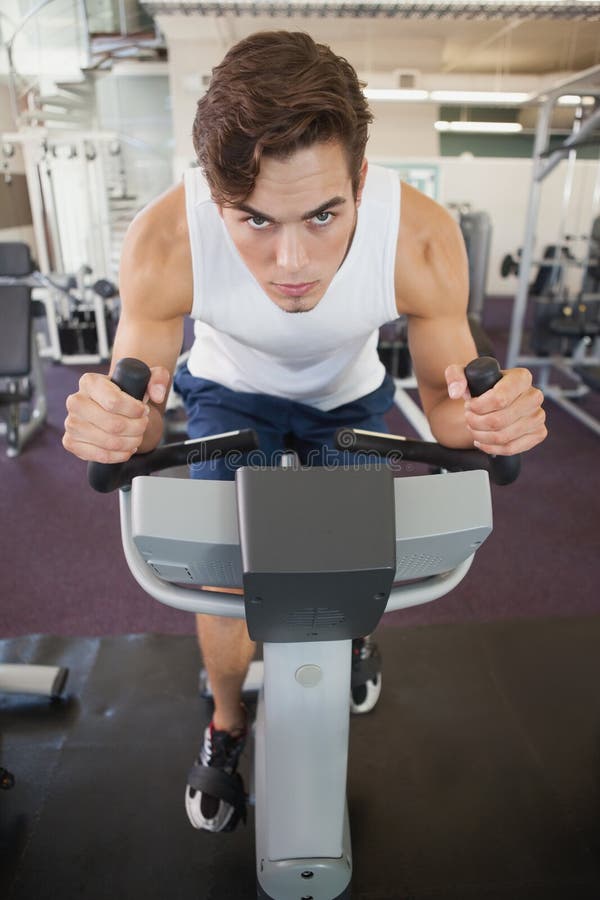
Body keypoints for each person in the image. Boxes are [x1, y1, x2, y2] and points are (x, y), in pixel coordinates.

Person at [63, 31, 547, 833]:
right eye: (254, 219)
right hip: (229, 394)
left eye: (324, 215)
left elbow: (448, 407)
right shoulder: (168, 238)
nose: (292, 262)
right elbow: (139, 413)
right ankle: (227, 722)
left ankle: (350, 640)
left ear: (361, 179)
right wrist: (115, 424)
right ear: (215, 192)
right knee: (228, 576)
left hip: (347, 400)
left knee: (346, 565)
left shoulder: (418, 235)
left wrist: (494, 419)